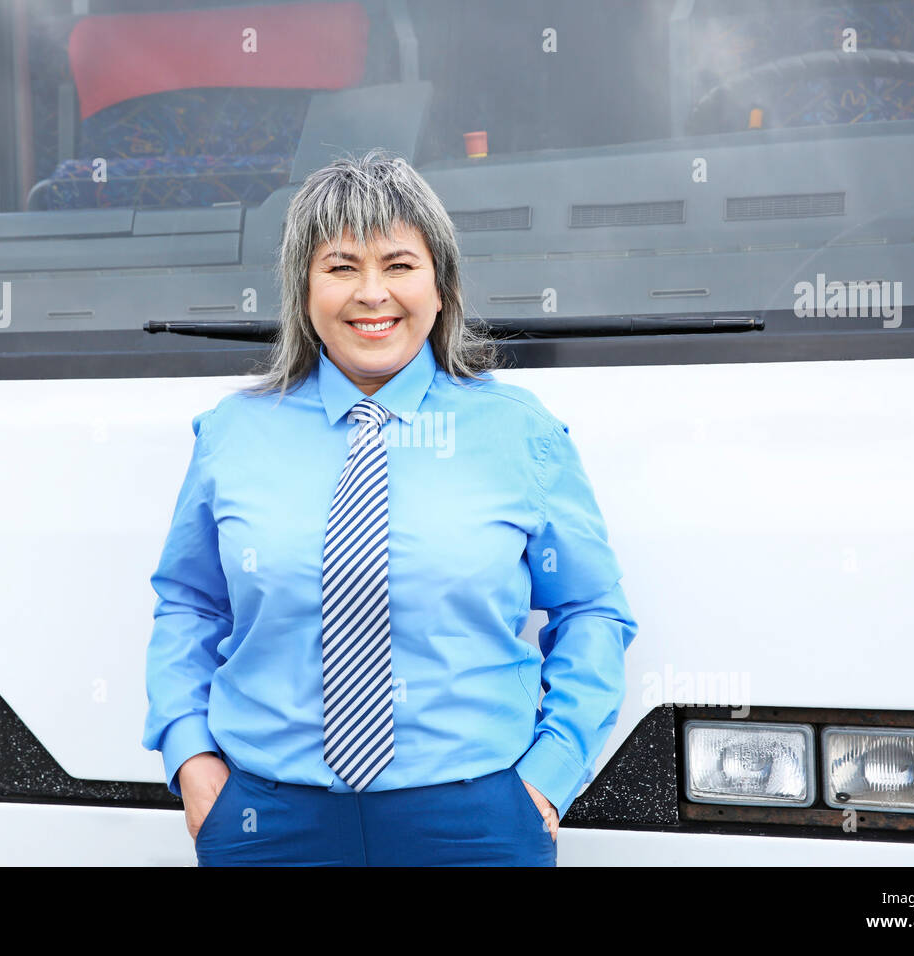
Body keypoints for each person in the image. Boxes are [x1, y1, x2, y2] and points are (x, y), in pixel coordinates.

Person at [142, 147, 637, 866]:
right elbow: (189, 605)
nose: (372, 294)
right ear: (303, 292)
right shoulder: (232, 435)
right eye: (341, 267)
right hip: (267, 825)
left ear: (441, 288)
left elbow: (593, 611)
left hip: (476, 823)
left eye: (399, 265)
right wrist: (191, 758)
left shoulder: (521, 432)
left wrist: (548, 779)